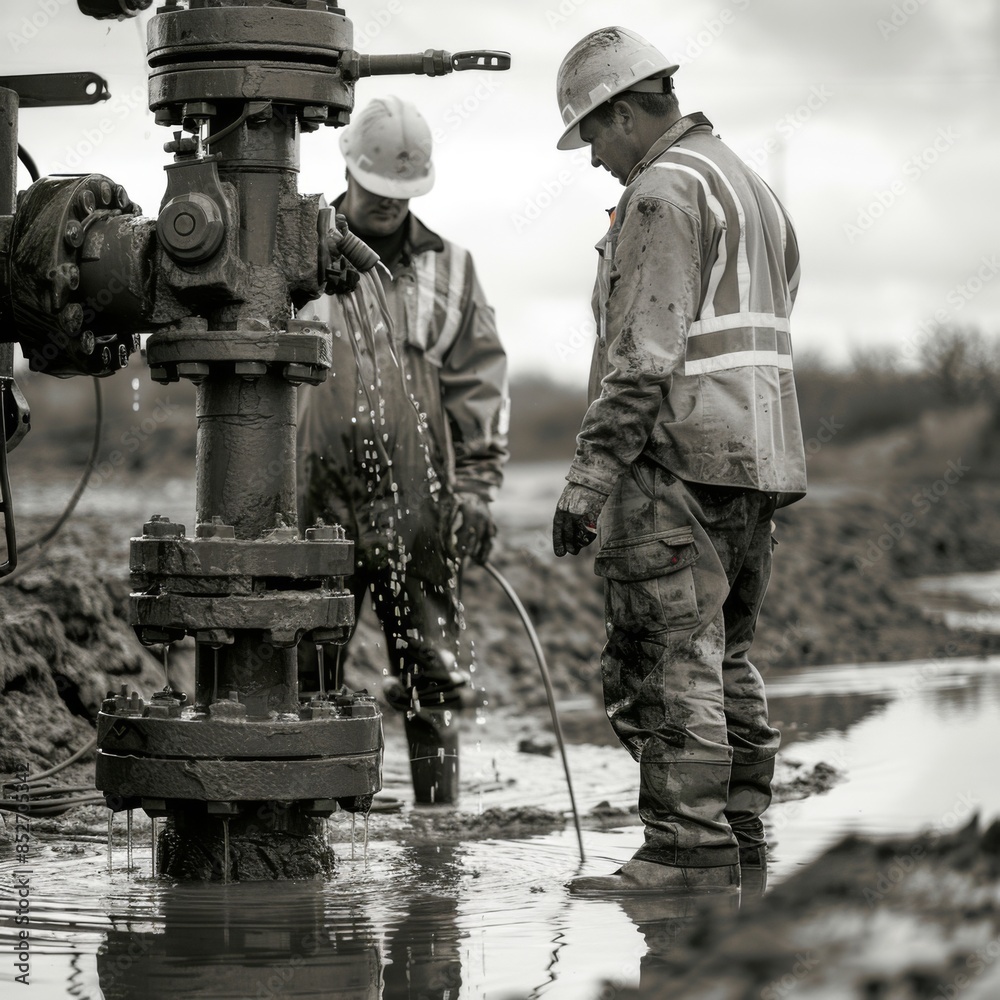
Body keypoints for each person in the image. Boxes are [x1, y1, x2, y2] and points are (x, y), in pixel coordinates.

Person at [551, 27, 807, 895]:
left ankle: (684, 853)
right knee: (726, 655)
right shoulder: (749, 183)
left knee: (664, 659)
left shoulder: (662, 193)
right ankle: (739, 833)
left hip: (675, 463)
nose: (593, 158)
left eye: (593, 133)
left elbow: (642, 357)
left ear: (626, 111)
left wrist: (589, 479)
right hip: (756, 458)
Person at [297, 96, 509, 805]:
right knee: (300, 668)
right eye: (377, 189)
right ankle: (304, 826)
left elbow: (478, 383)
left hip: (417, 512)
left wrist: (476, 490)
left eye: (402, 194)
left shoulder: (452, 269)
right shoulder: (294, 253)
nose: (388, 206)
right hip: (308, 507)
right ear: (348, 169)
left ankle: (435, 827)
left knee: (433, 669)